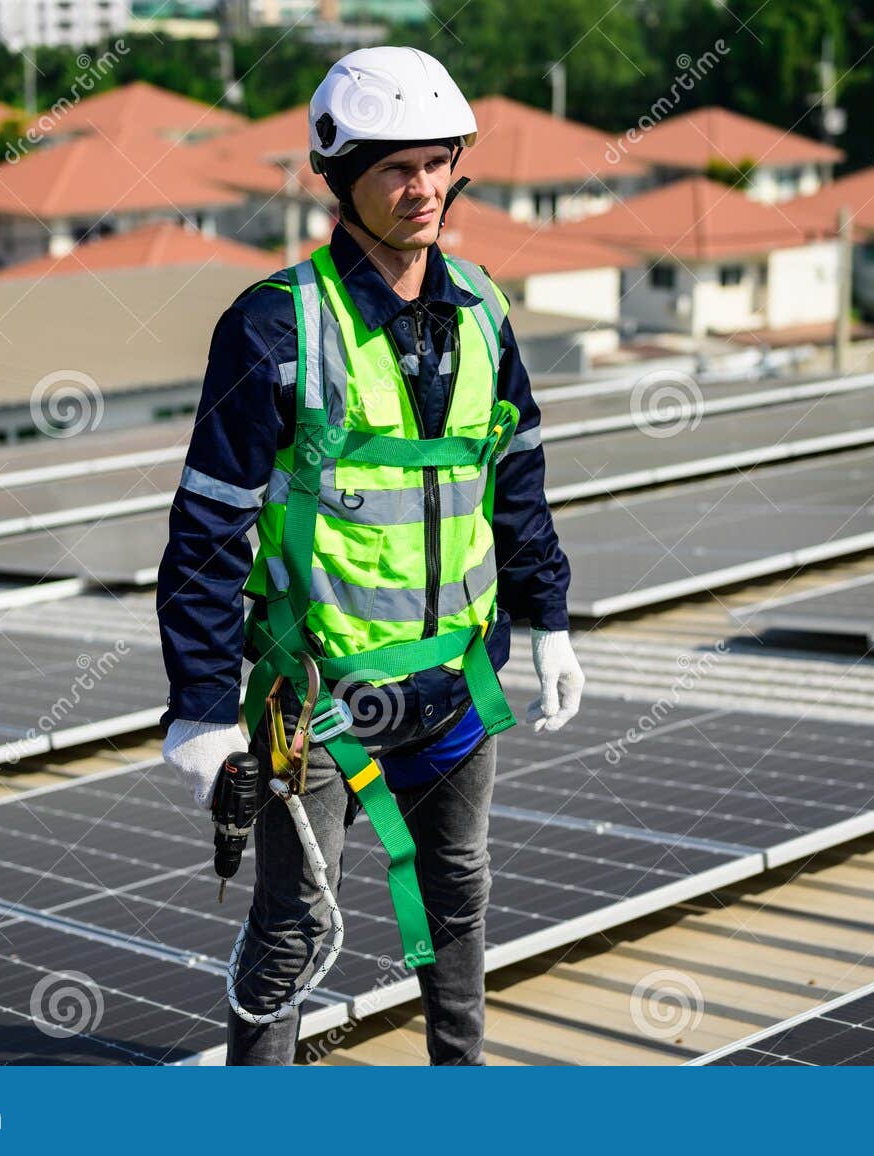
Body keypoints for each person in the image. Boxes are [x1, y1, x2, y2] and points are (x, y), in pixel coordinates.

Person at [155, 46, 584, 1066]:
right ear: (340, 177)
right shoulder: (276, 325)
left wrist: (552, 617)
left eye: (438, 163)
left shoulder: (481, 308)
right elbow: (207, 527)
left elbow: (515, 475)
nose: (424, 186)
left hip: (457, 679)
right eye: (397, 166)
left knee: (459, 899)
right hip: (321, 694)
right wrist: (203, 706)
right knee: (294, 926)